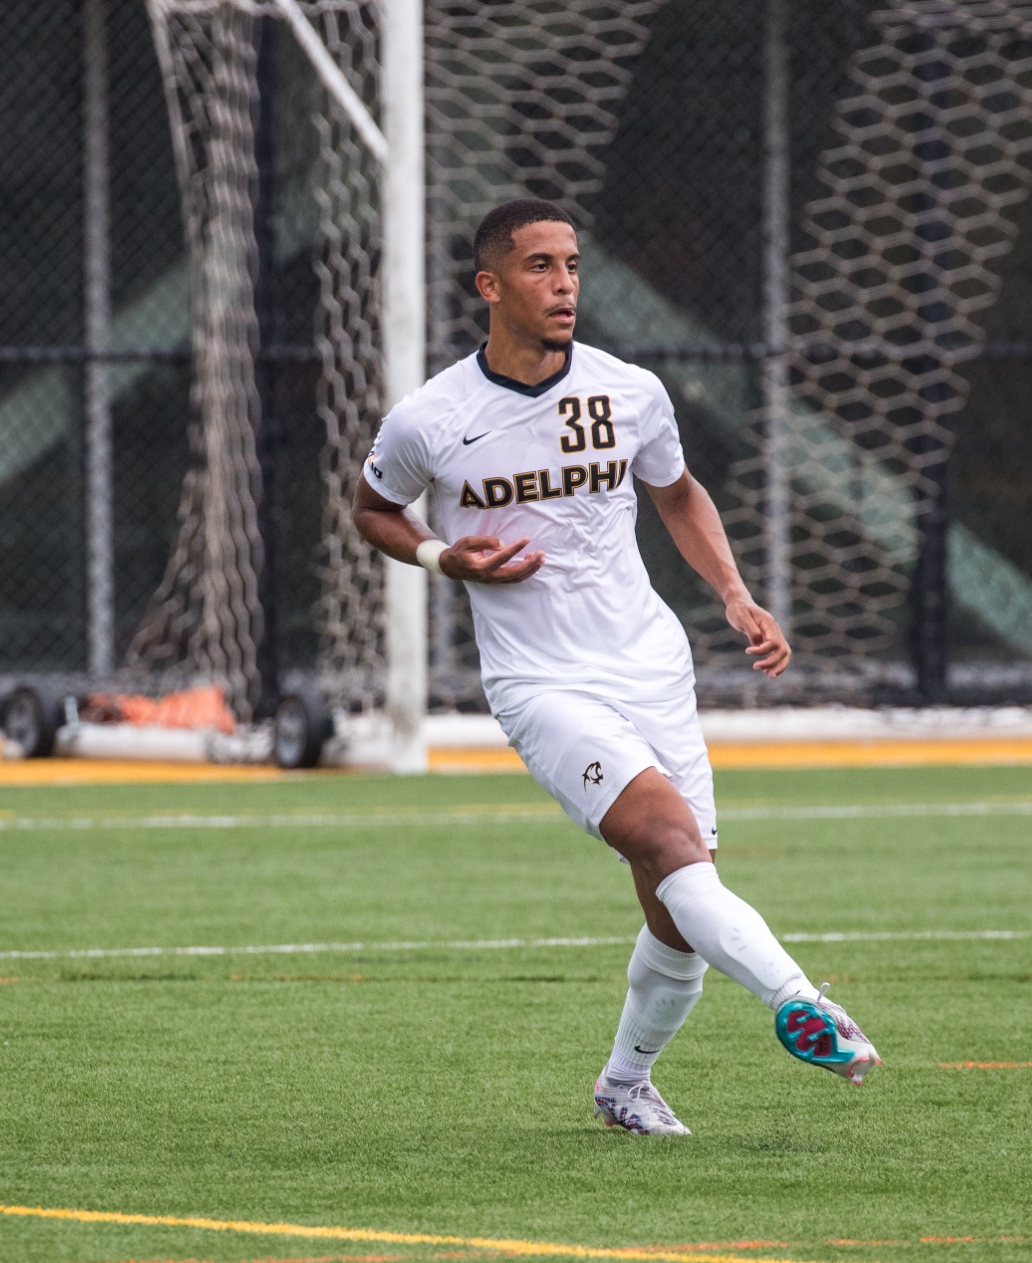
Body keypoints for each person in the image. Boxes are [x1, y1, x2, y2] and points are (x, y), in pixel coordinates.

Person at [353, 199, 879, 1136]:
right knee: (674, 844)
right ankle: (801, 1001)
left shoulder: (630, 390)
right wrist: (444, 556)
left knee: (681, 905)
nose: (564, 286)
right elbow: (374, 509)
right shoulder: (429, 418)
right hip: (542, 685)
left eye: (573, 266)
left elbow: (677, 493)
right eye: (540, 268)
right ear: (490, 286)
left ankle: (624, 1085)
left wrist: (733, 592)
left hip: (651, 667)